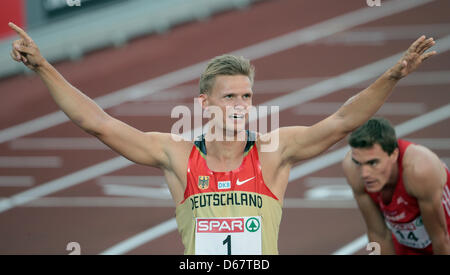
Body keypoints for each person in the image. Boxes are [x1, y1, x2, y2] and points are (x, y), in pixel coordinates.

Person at [8, 21, 437, 255]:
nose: (239, 105)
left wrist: (393, 75)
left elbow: (343, 121)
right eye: (229, 96)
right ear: (204, 103)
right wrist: (43, 66)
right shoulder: (175, 155)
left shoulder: (273, 152)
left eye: (247, 96)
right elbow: (98, 123)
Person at [342, 117, 450, 254]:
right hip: (408, 246)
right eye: (358, 163)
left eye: (373, 163)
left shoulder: (420, 170)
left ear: (393, 154)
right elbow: (378, 233)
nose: (364, 174)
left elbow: (441, 239)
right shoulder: (352, 170)